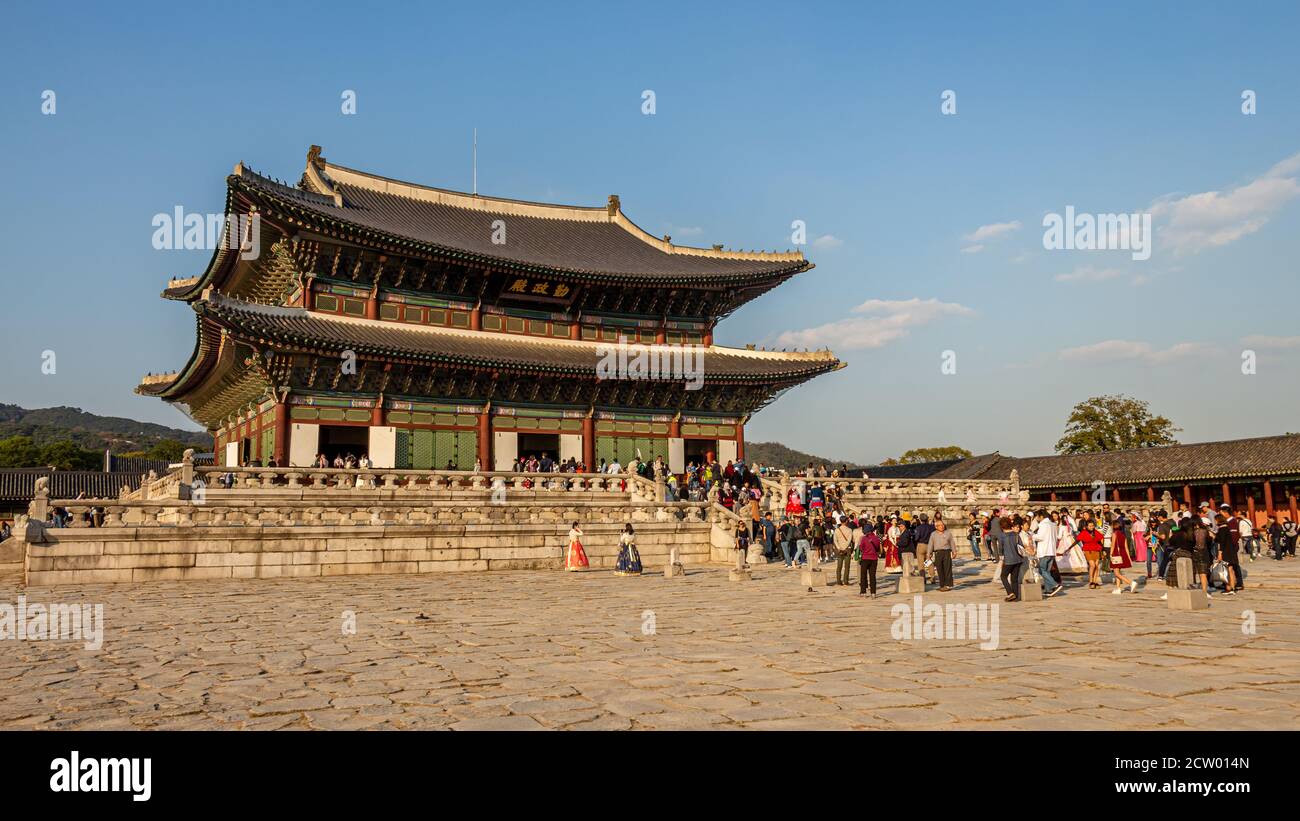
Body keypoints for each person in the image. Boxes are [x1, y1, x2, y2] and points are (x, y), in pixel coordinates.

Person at [1032, 509, 1062, 597]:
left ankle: (1054, 585)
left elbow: (1041, 537)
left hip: (1045, 550)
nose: (1037, 518)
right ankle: (1049, 590)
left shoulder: (1043, 525)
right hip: (1051, 550)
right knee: (1047, 571)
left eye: (1037, 516)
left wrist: (1032, 535)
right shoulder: (1053, 524)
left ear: (1041, 516)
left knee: (1042, 570)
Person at [1108, 514, 1136, 594]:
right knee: (1118, 572)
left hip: (1116, 553)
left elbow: (1113, 545)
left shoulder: (1114, 534)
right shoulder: (1123, 535)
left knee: (1116, 573)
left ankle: (1131, 583)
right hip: (1122, 553)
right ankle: (1118, 588)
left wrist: (1110, 554)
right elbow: (1126, 547)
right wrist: (1128, 557)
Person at [999, 516, 1023, 601]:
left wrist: (1001, 558)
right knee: (1014, 578)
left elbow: (1001, 549)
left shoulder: (1002, 536)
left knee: (1003, 576)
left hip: (1009, 560)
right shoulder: (1016, 534)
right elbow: (1021, 546)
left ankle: (1010, 593)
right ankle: (1016, 596)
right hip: (1019, 559)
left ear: (1002, 526)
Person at [930, 518, 956, 591]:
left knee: (947, 569)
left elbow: (952, 543)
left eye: (943, 525)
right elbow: (930, 544)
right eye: (940, 525)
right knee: (939, 569)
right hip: (938, 553)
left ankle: (948, 585)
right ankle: (942, 585)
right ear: (936, 527)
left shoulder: (948, 533)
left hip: (946, 552)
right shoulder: (933, 534)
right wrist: (929, 553)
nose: (942, 526)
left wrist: (954, 552)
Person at [1077, 519, 1104, 589]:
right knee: (1092, 565)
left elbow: (1100, 540)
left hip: (1096, 549)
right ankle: (1091, 581)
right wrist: (1069, 548)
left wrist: (1103, 549)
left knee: (1097, 566)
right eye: (1090, 526)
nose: (1092, 527)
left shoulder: (1095, 532)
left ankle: (1095, 581)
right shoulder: (1084, 532)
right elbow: (1077, 540)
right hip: (1088, 550)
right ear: (1086, 526)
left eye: (1092, 526)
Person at [858, 525, 881, 598]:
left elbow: (861, 548)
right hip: (874, 559)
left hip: (865, 558)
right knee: (872, 576)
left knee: (863, 575)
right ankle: (873, 593)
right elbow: (877, 548)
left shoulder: (864, 538)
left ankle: (863, 592)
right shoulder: (876, 538)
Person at [833, 515, 855, 586]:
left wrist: (839, 547)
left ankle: (838, 581)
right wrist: (845, 547)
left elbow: (835, 540)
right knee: (847, 567)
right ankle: (846, 581)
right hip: (847, 550)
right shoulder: (849, 530)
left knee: (839, 566)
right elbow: (849, 540)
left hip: (839, 550)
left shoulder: (836, 530)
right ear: (846, 521)